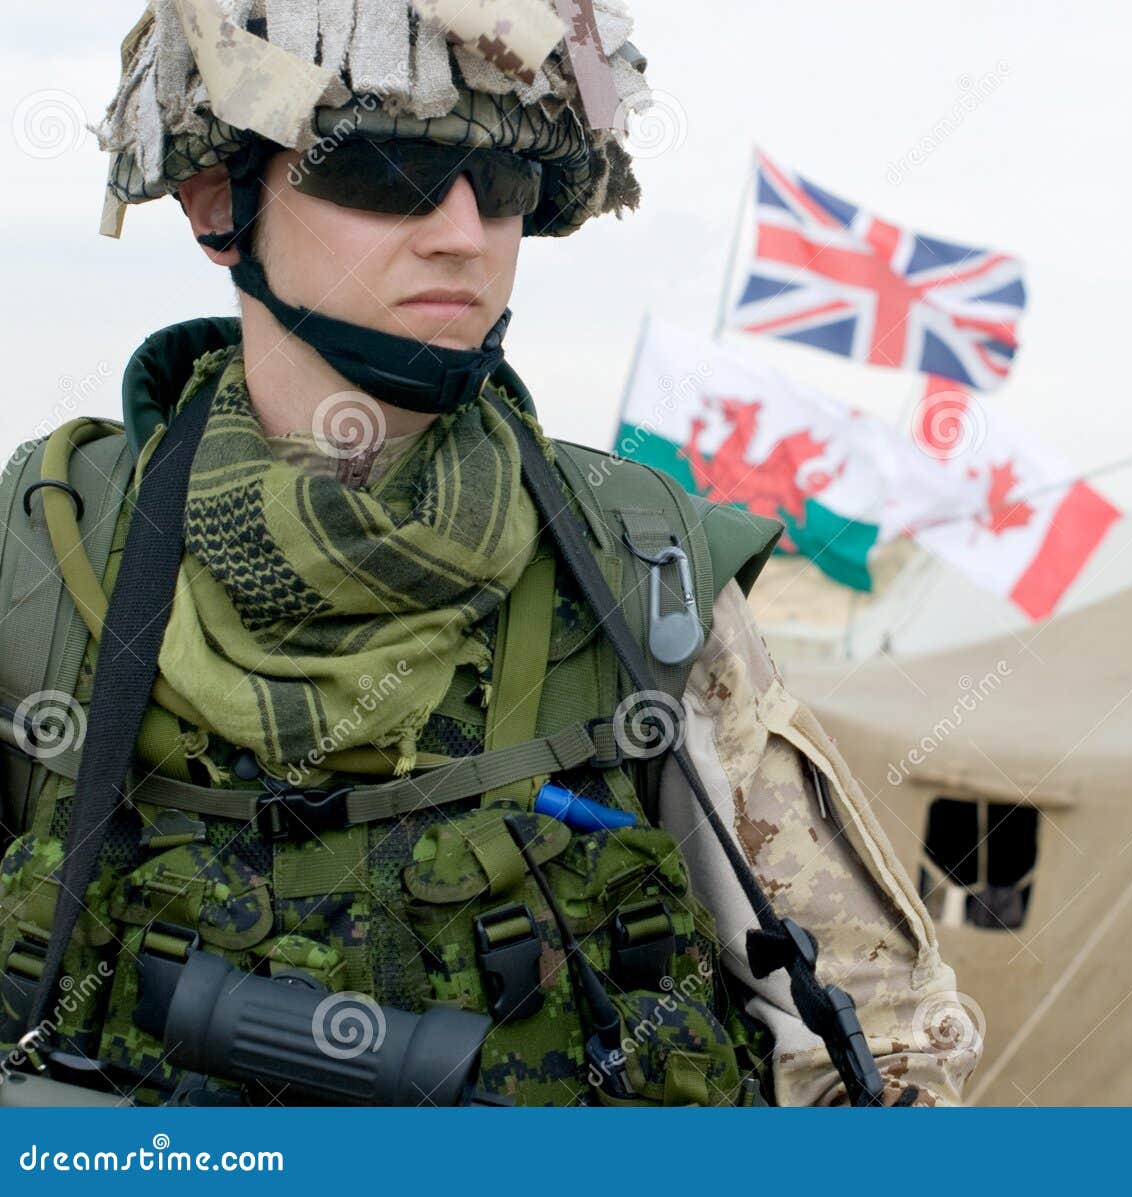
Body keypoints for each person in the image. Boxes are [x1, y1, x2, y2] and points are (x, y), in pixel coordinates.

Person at [0, 0, 972, 1107]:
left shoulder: (637, 566)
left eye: (504, 185)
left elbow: (882, 1041)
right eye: (383, 170)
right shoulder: (43, 554)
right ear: (219, 204)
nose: (462, 233)